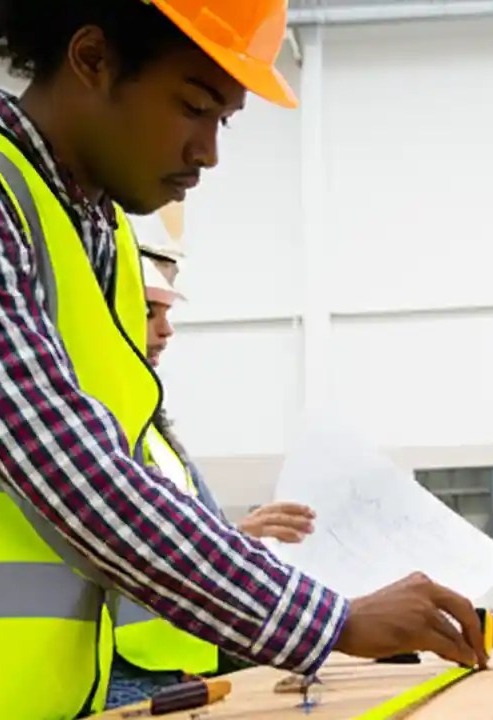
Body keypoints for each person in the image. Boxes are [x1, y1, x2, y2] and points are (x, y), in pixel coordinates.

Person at [0, 2, 485, 718]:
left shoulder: (99, 235)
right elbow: (75, 475)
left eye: (223, 120)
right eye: (194, 108)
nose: (209, 152)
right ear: (92, 59)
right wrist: (329, 619)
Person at [107, 219, 320, 708]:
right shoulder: (97, 427)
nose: (166, 330)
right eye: (148, 312)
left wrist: (237, 536)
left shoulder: (155, 432)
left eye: (166, 313)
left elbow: (198, 537)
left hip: (178, 672)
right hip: (121, 677)